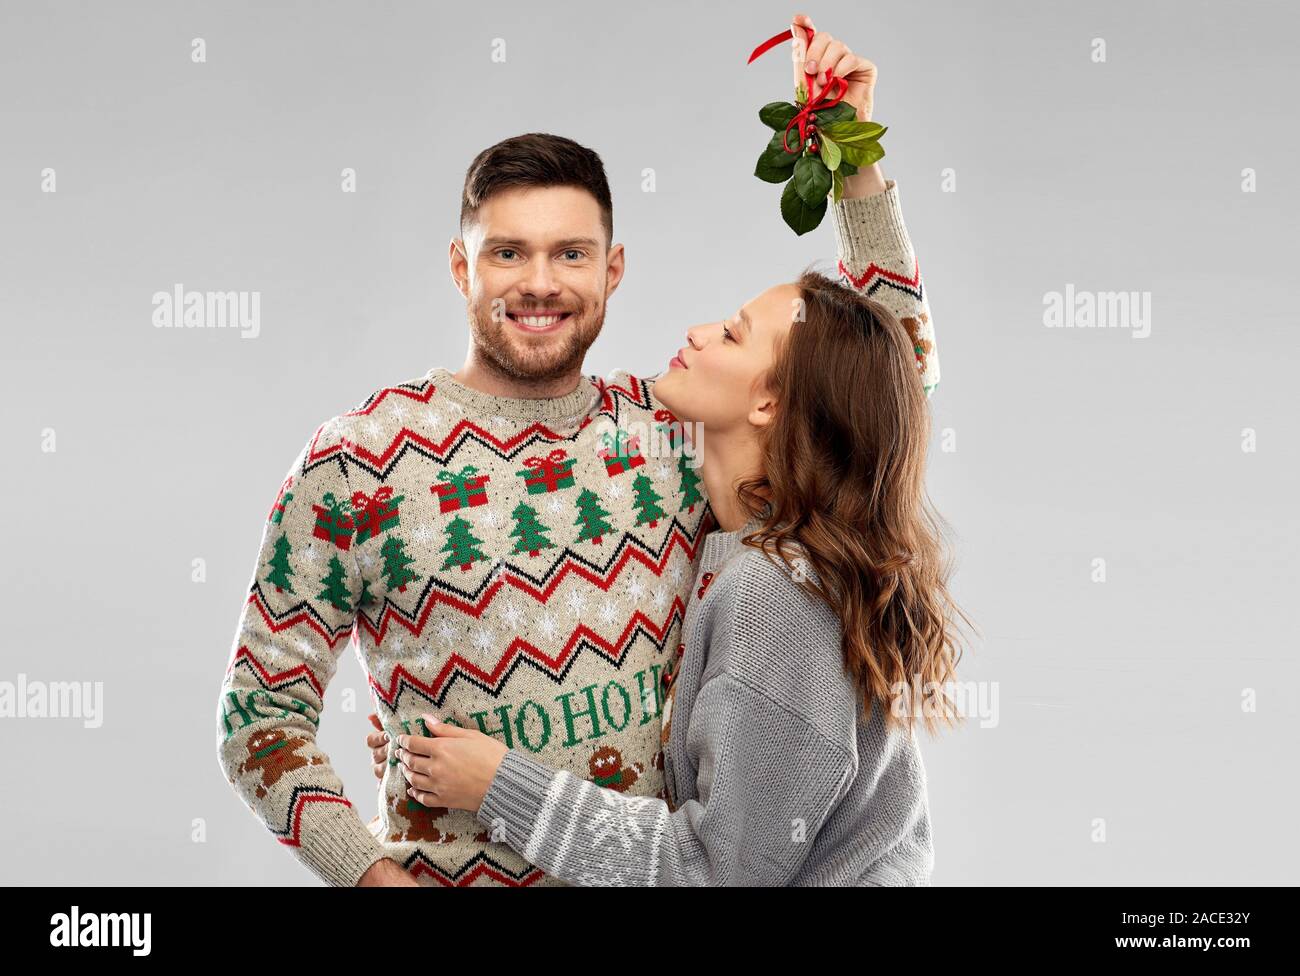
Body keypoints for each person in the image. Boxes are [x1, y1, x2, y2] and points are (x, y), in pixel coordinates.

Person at [216, 13, 945, 887]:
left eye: (572, 253)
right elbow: (260, 715)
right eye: (507, 253)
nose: (540, 283)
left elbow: (878, 380)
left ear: (613, 270)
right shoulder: (356, 463)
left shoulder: (671, 434)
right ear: (461, 268)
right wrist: (372, 877)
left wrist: (850, 156)